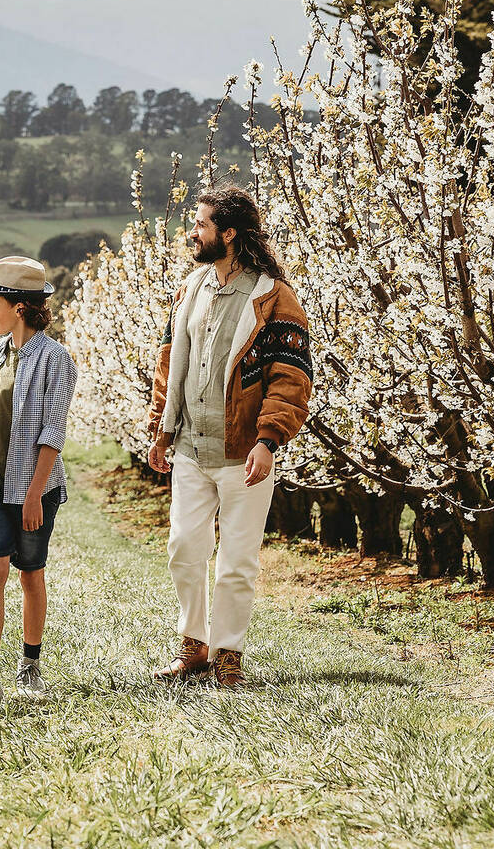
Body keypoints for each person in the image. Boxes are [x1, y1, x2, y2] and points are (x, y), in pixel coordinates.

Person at [145, 185, 312, 689]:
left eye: (201, 225)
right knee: (183, 548)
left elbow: (291, 374)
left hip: (245, 454)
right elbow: (170, 363)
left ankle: (228, 653)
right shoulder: (192, 287)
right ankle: (193, 644)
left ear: (230, 234)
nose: (192, 233)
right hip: (192, 450)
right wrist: (161, 428)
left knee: (237, 562)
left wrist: (269, 440)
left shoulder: (273, 297)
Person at [0, 256, 77, 706]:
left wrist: (33, 496)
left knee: (30, 573)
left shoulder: (57, 359)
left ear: (19, 306)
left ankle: (30, 668)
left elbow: (53, 432)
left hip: (35, 486)